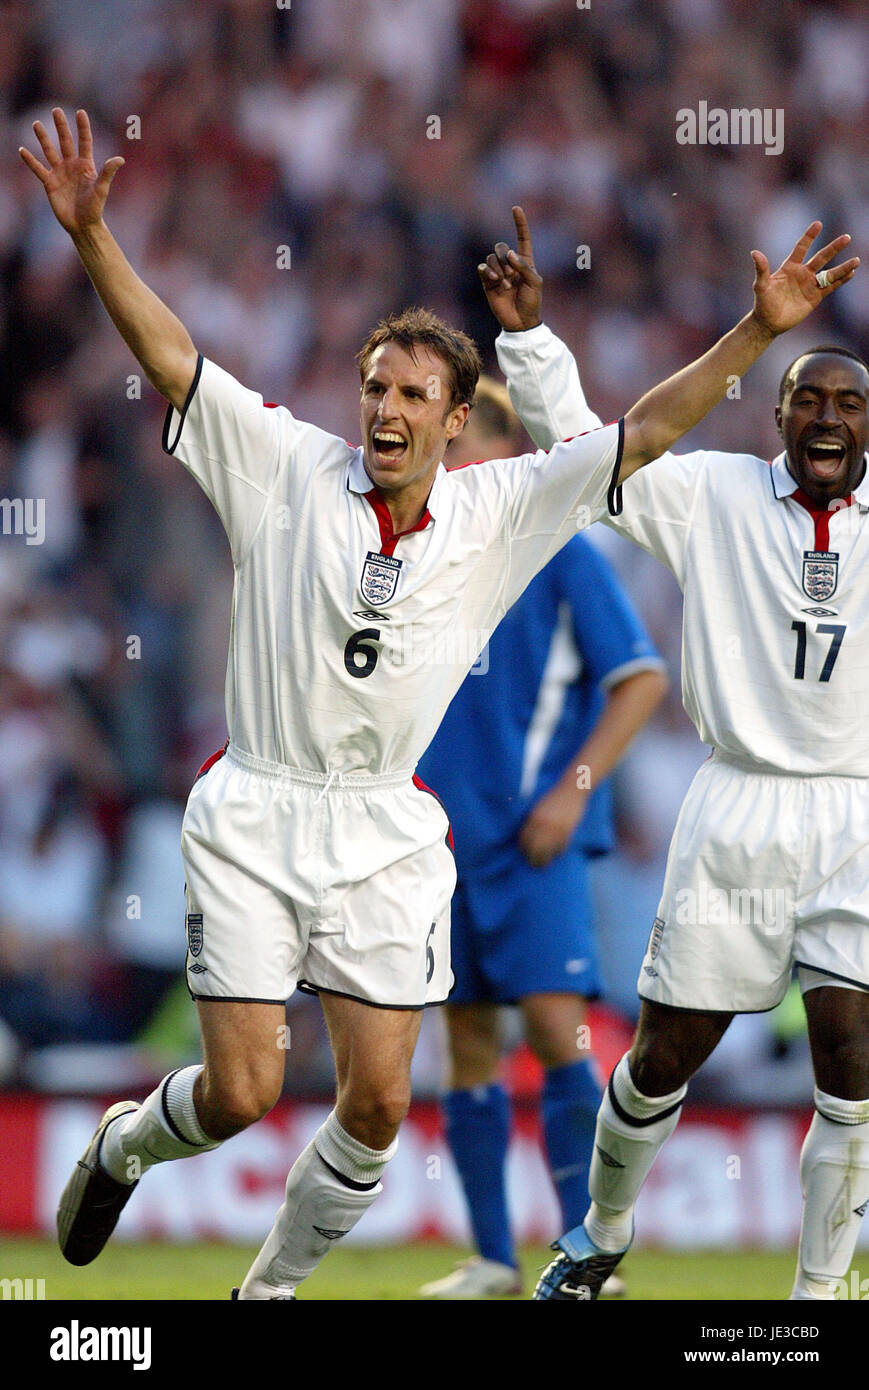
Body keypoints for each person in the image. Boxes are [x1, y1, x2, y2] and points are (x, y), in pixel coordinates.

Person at [19, 112, 856, 1301]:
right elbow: (173, 358)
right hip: (258, 804)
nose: (386, 409)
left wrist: (752, 335)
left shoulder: (500, 510)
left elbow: (645, 431)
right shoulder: (282, 464)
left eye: (413, 392)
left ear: (456, 417)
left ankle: (262, 1293)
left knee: (374, 1107)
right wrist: (96, 237)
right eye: (374, 386)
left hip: (384, 828)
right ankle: (127, 1142)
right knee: (246, 1090)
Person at [478, 214, 869, 1302]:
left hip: (856, 815)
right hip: (736, 807)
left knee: (850, 1055)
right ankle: (600, 1235)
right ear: (777, 414)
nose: (827, 417)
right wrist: (529, 343)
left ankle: (818, 1290)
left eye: (848, 402)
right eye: (809, 399)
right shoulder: (713, 496)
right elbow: (602, 445)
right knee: (662, 1057)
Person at [416, 378, 667, 1299]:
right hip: (440, 842)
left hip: (534, 840)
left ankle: (584, 1257)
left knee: (560, 1036)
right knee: (468, 1044)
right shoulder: (426, 551)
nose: (445, 455)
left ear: (502, 444)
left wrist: (573, 792)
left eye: (459, 434)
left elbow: (639, 678)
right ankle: (491, 1258)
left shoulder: (557, 549)